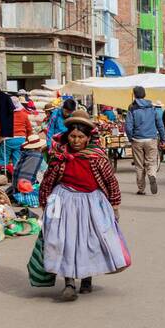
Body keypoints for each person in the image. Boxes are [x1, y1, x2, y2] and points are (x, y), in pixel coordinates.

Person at [37, 110, 128, 300]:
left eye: (80, 137)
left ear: (88, 138)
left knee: (89, 242)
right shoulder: (59, 156)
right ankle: (69, 283)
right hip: (64, 201)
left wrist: (115, 206)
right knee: (64, 242)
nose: (76, 141)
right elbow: (48, 180)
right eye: (72, 136)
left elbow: (111, 181)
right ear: (67, 136)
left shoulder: (97, 157)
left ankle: (86, 279)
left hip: (91, 203)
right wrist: (45, 203)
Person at [123, 85, 165, 196]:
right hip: (151, 139)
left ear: (135, 95)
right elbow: (159, 124)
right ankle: (152, 174)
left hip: (137, 140)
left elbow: (128, 126)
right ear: (144, 94)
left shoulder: (132, 108)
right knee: (151, 162)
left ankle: (141, 189)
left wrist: (131, 137)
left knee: (139, 165)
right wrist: (163, 139)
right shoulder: (153, 107)